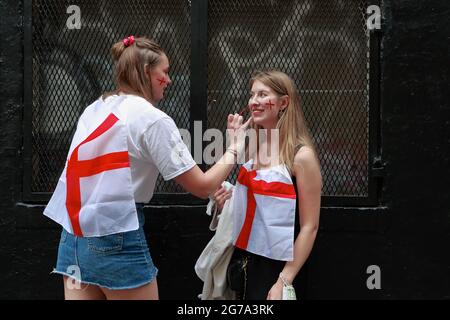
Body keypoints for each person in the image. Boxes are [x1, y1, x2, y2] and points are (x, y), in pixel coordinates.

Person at [44, 35, 250, 300]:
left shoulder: (94, 108)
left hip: (73, 238)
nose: (169, 79)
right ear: (145, 71)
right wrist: (234, 147)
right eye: (164, 72)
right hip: (116, 236)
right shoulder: (152, 119)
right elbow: (202, 186)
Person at [213, 70, 322, 300]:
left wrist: (285, 279)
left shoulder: (301, 156)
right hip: (243, 264)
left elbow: (309, 227)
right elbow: (258, 206)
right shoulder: (252, 147)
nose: (254, 101)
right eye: (252, 95)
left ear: (283, 102)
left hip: (277, 269)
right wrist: (228, 199)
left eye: (263, 94)